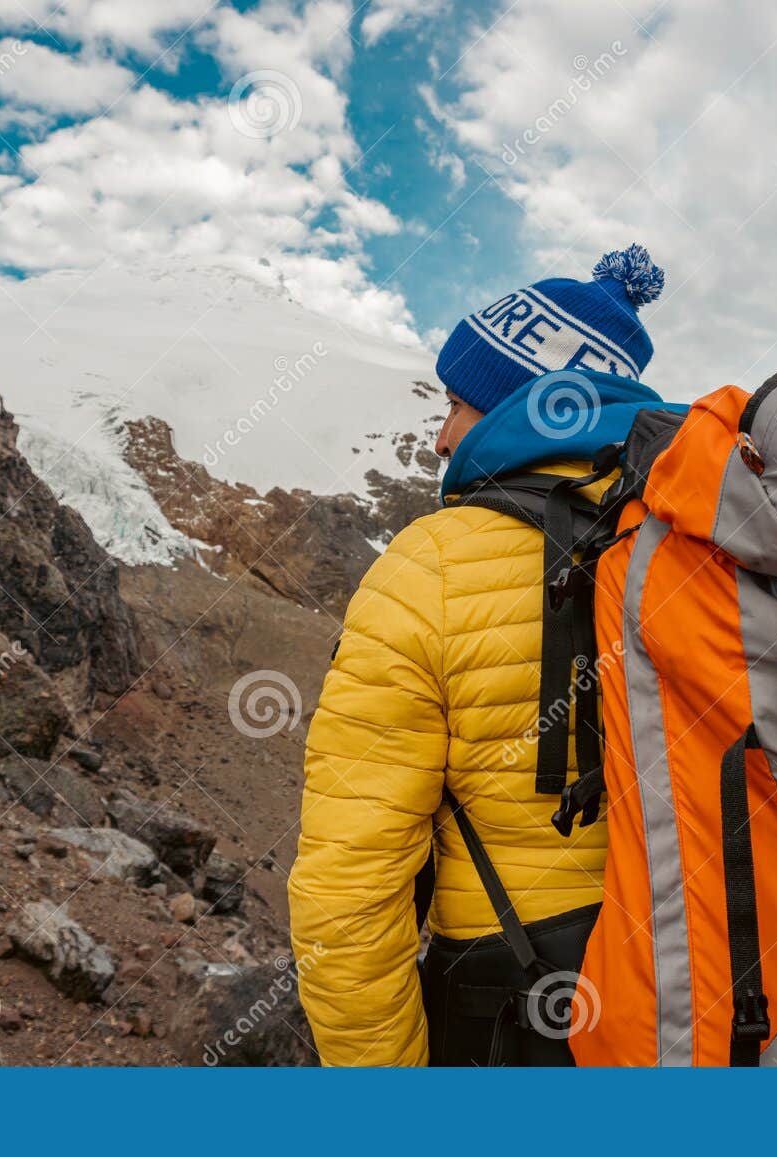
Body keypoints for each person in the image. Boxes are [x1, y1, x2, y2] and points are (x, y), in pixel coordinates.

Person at [288, 245, 683, 1066]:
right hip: (702, 996)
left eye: (458, 405)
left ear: (518, 409)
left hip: (514, 1013)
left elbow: (350, 898)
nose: (439, 438)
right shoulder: (694, 545)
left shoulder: (427, 569)